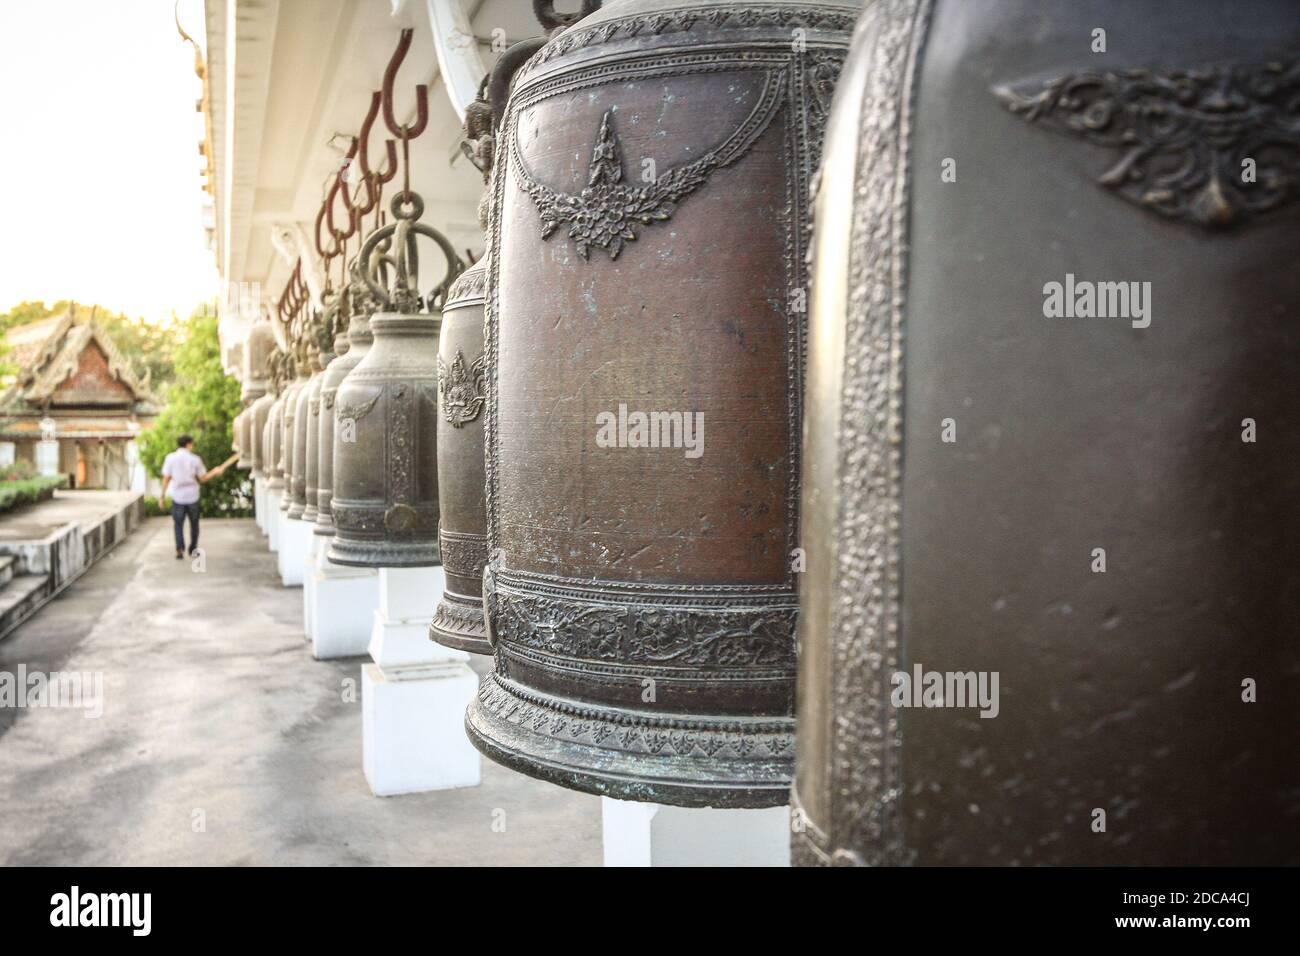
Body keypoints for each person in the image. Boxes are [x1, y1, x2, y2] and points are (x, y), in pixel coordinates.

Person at [160, 435, 230, 559]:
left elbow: (166, 478)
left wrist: (162, 496)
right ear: (188, 444)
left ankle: (179, 549)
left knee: (178, 525)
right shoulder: (195, 459)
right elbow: (203, 478)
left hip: (178, 497)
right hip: (192, 496)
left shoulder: (170, 458)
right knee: (194, 525)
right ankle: (193, 549)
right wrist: (215, 471)